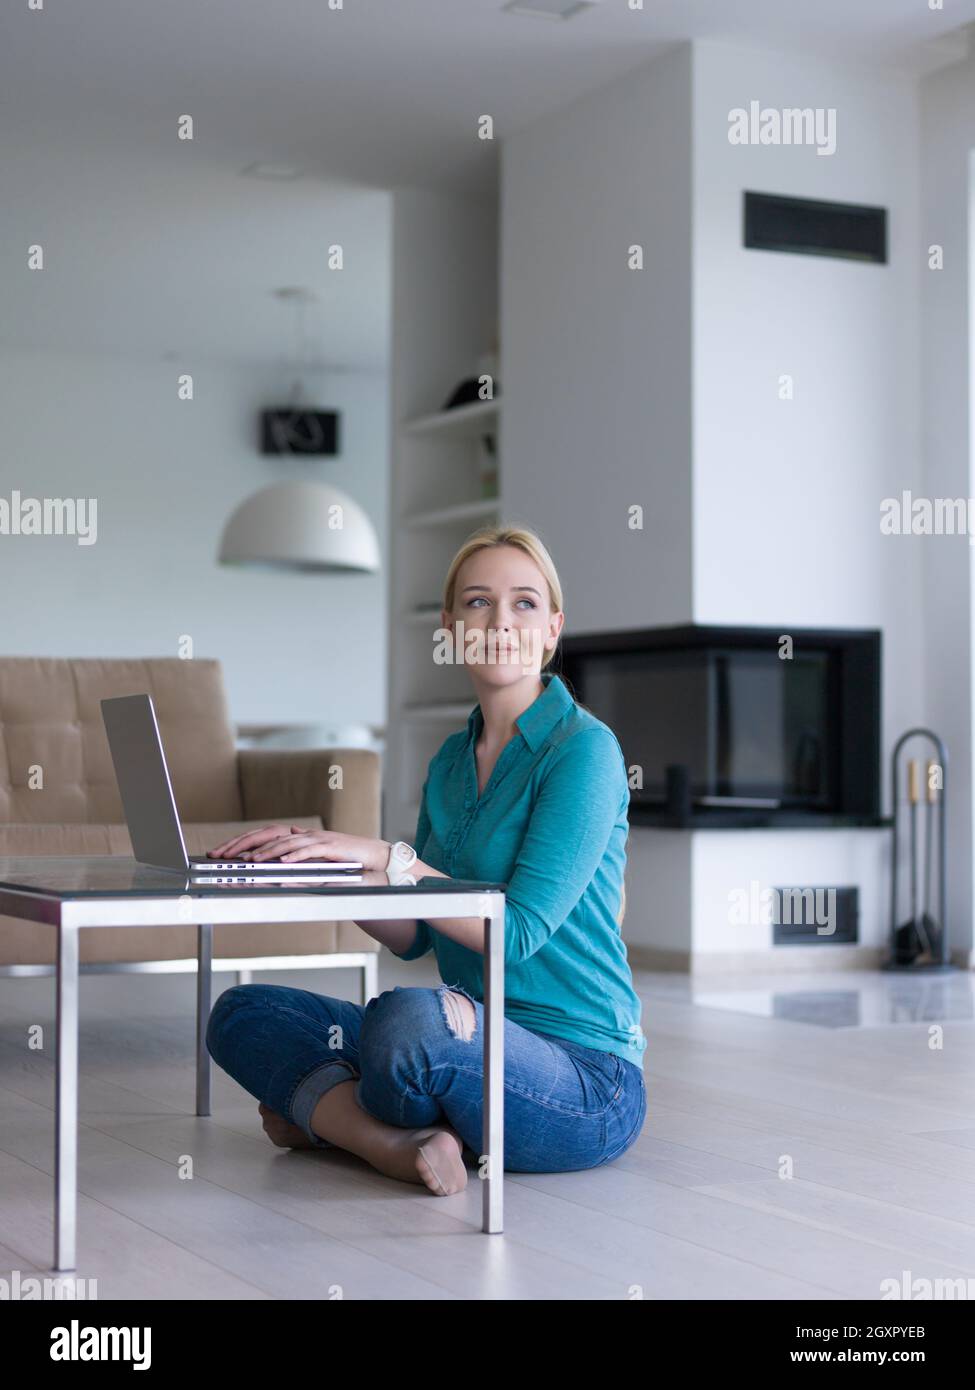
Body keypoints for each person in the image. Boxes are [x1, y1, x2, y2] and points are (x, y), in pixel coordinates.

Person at [205, 524, 647, 1196]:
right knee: (240, 1013)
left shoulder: (584, 750)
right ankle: (391, 1141)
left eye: (524, 603)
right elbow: (414, 935)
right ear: (449, 627)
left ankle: (335, 1115)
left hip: (581, 1076)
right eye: (477, 602)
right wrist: (323, 871)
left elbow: (518, 932)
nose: (499, 621)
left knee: (406, 1024)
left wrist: (392, 856)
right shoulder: (449, 761)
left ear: (552, 629)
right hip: (464, 1026)